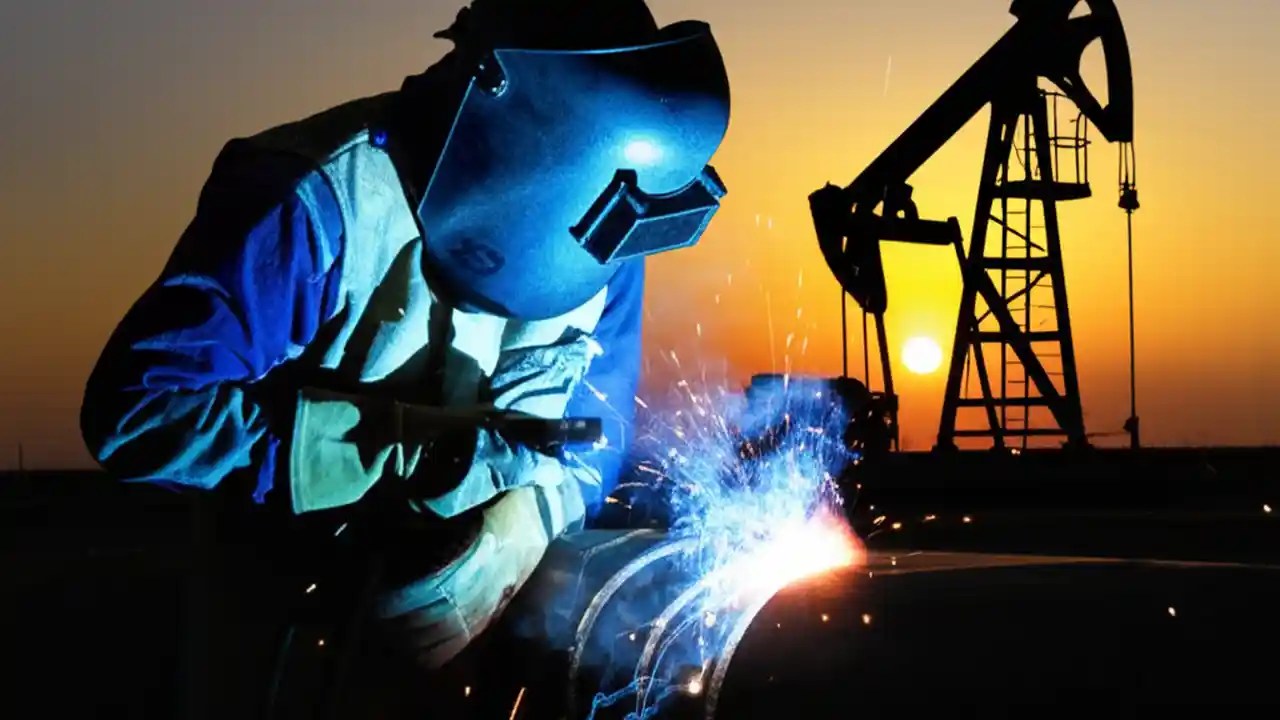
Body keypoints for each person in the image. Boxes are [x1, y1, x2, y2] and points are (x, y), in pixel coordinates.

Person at [78, 0, 730, 715]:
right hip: (283, 651)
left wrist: (522, 528)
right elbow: (138, 412)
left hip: (479, 680)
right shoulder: (315, 198)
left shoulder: (605, 226)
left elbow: (593, 438)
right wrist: (400, 449)